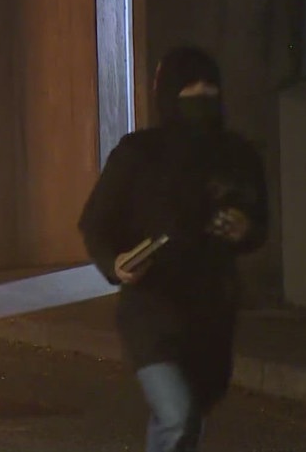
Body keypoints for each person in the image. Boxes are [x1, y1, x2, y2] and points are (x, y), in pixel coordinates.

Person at [78, 45, 268, 452]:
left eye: (209, 90)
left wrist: (243, 228)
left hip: (211, 312)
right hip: (152, 309)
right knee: (177, 413)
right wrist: (116, 263)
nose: (201, 100)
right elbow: (95, 221)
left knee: (190, 416)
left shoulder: (237, 155)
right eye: (190, 91)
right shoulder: (138, 154)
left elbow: (259, 222)